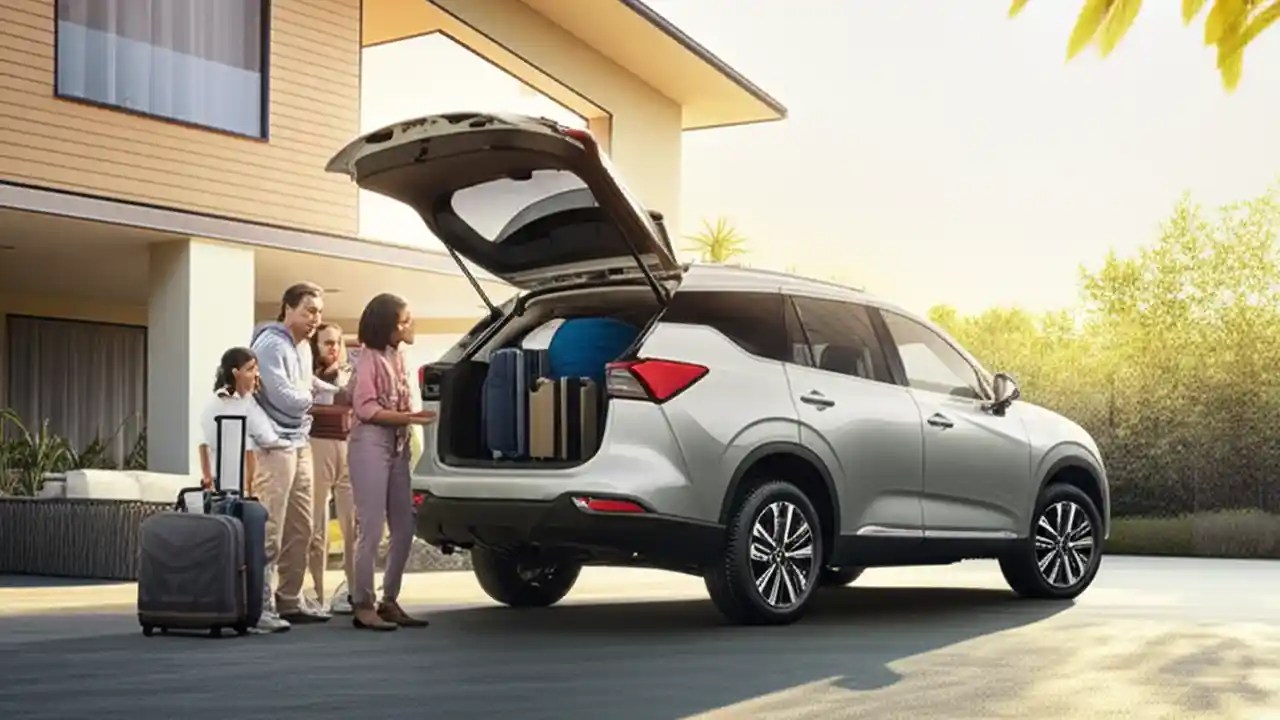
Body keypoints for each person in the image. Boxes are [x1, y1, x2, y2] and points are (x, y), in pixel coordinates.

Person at [348, 292, 435, 631]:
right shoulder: (369, 359)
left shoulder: (398, 357)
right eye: (405, 320)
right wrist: (410, 419)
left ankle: (389, 599)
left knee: (404, 526)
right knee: (370, 526)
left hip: (396, 444)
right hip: (370, 443)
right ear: (392, 326)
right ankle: (363, 603)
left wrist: (408, 421)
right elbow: (366, 408)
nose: (411, 325)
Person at [196, 346, 292, 634]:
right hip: (227, 486)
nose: (256, 375)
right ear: (235, 373)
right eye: (250, 369)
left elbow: (265, 439)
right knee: (250, 545)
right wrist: (208, 477)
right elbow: (207, 444)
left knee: (257, 543)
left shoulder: (247, 402)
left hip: (243, 484)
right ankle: (254, 609)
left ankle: (258, 607)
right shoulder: (220, 404)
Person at [250, 281, 330, 625]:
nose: (315, 319)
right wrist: (319, 399)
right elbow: (284, 396)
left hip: (299, 440)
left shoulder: (304, 348)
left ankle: (289, 600)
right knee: (270, 525)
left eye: (319, 312)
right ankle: (260, 605)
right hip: (274, 444)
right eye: (309, 310)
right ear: (288, 308)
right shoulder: (269, 345)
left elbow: (308, 386)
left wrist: (339, 391)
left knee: (302, 523)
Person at [305, 322, 357, 617]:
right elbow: (316, 403)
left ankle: (353, 588)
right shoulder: (308, 376)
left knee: (354, 525)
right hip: (319, 445)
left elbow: (352, 403)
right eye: (327, 343)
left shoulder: (351, 374)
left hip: (347, 447)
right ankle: (317, 592)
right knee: (315, 526)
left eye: (337, 342)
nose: (333, 348)